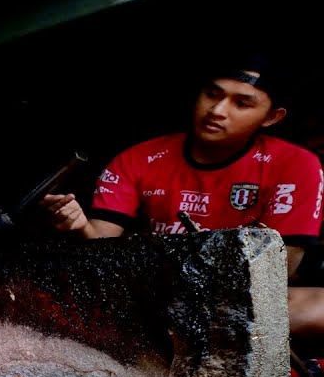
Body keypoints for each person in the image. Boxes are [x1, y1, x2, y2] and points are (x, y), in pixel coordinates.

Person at [42, 53, 324, 350]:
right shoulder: (139, 158)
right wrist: (76, 224)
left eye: (241, 103)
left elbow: (284, 267)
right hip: (153, 297)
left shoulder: (295, 164)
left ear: (271, 117)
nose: (217, 110)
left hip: (241, 301)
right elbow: (99, 248)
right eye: (212, 94)